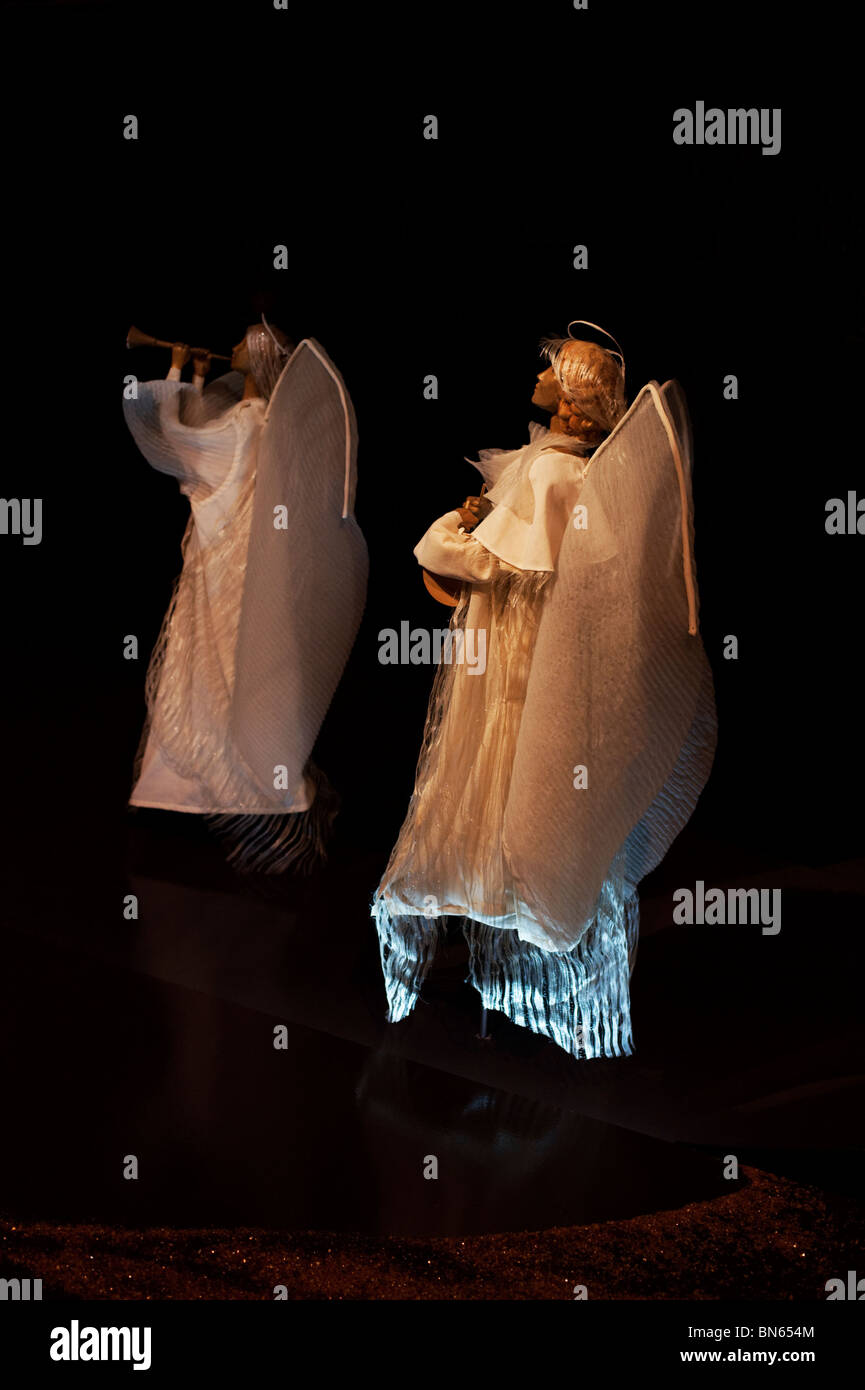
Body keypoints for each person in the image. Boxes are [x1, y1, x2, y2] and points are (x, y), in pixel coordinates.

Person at [372, 322, 716, 1058]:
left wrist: (451, 531)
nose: (549, 392)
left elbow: (483, 561)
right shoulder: (570, 469)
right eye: (554, 382)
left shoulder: (557, 474)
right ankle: (526, 950)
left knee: (503, 774)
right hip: (528, 650)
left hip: (517, 657)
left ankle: (520, 950)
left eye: (562, 384)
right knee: (522, 778)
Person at [124, 318, 367, 872]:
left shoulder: (249, 422)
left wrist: (179, 371)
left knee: (209, 674)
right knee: (245, 669)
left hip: (223, 573)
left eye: (242, 343)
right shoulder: (269, 422)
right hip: (246, 566)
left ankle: (211, 791)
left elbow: (176, 445)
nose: (231, 345)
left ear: (256, 358)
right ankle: (257, 787)